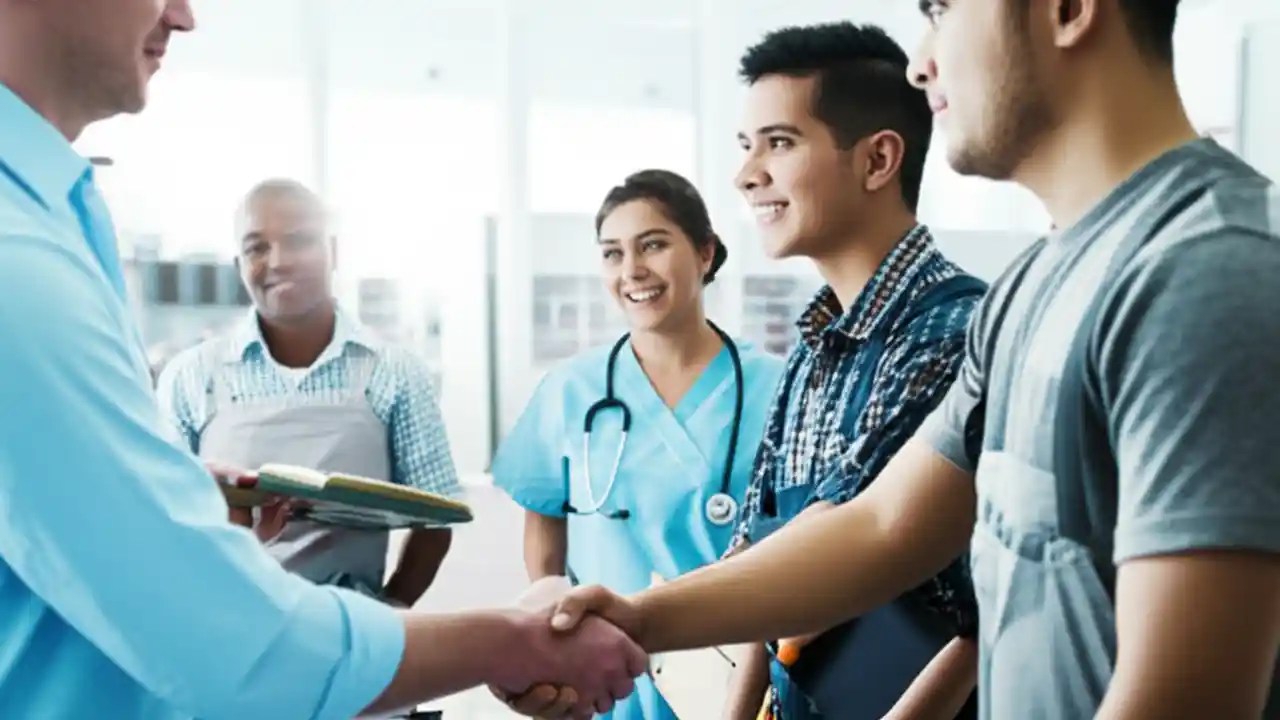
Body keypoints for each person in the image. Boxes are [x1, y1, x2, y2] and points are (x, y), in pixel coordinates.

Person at [539, 1, 1280, 719]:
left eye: (941, 9)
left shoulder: (1206, 273)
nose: (922, 66)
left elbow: (1188, 700)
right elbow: (883, 526)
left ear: (1068, 8)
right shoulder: (1028, 291)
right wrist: (634, 616)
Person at [0, 1, 645, 718]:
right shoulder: (19, 261)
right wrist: (514, 642)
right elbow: (237, 645)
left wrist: (171, 499)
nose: (183, 16)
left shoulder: (50, 225)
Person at [506, 23, 988, 720]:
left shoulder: (950, 334)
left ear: (879, 159)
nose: (745, 175)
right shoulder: (814, 356)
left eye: (779, 144)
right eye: (744, 147)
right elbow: (758, 557)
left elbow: (858, 542)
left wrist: (634, 617)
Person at [490, 168, 786, 719]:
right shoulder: (570, 390)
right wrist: (557, 634)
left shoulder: (780, 387)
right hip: (609, 679)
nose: (632, 271)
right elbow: (545, 535)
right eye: (612, 253)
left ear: (705, 252)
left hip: (743, 680)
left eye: (653, 245)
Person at [156, 178, 459, 608]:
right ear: (239, 262)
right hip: (225, 622)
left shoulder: (395, 372)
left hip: (354, 631)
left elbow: (437, 521)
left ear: (333, 251)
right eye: (257, 247)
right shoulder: (189, 376)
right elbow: (162, 517)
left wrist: (388, 614)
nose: (278, 262)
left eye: (298, 241)